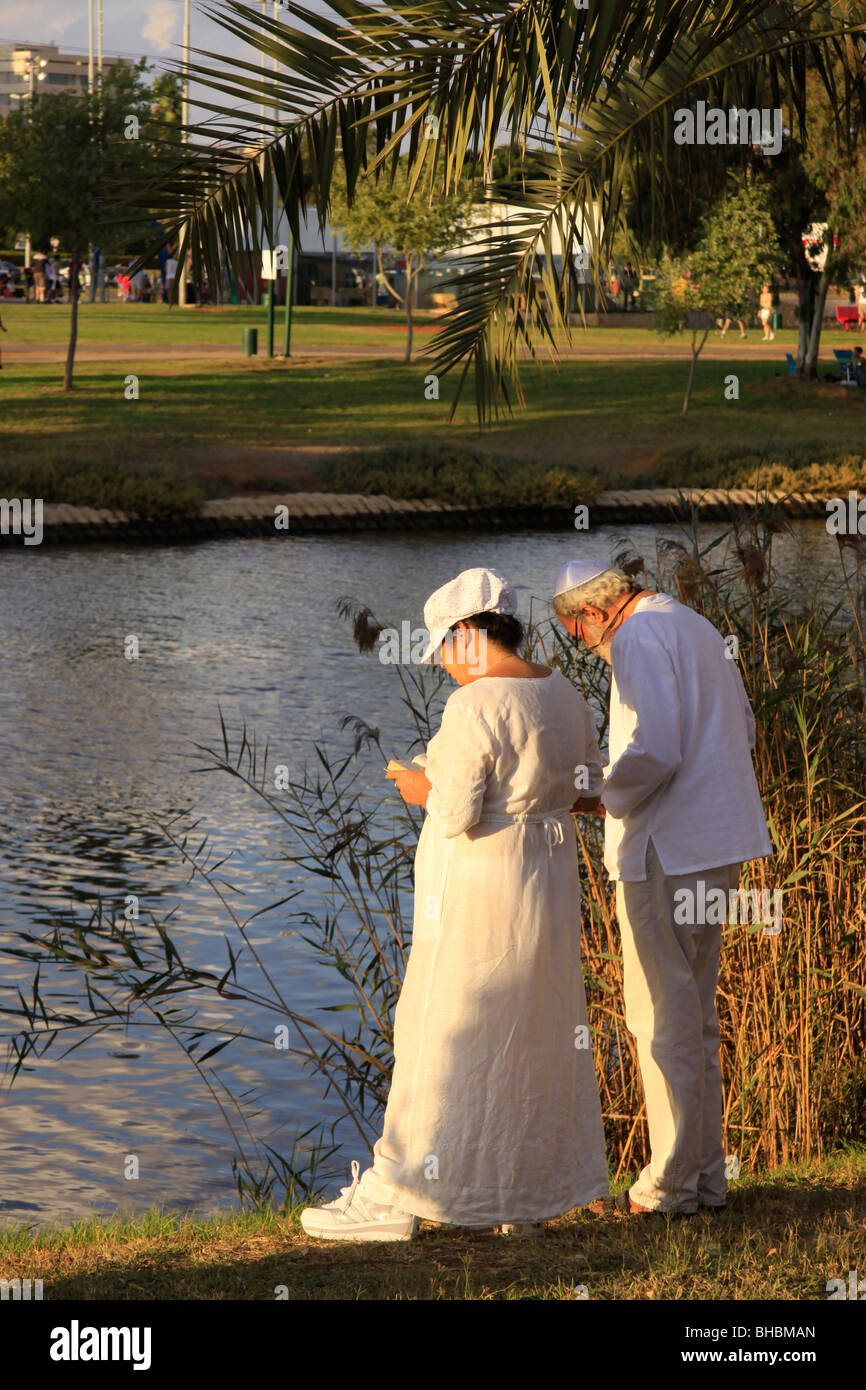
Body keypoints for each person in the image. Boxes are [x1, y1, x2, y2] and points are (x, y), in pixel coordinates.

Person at [300, 567, 610, 1240]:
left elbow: (457, 812)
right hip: (545, 887)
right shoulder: (561, 692)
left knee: (438, 1031)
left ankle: (394, 1197)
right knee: (526, 1036)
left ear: (469, 634)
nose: (441, 662)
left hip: (478, 891)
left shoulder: (474, 706)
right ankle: (518, 1199)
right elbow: (588, 787)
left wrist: (418, 784)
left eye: (443, 645)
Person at [552, 560, 773, 1216]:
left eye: (580, 639)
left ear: (594, 612)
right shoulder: (694, 625)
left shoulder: (639, 639)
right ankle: (704, 1179)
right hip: (717, 842)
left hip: (668, 849)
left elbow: (655, 750)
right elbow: (746, 730)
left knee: (658, 1017)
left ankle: (670, 1186)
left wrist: (593, 794)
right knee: (693, 1016)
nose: (591, 650)